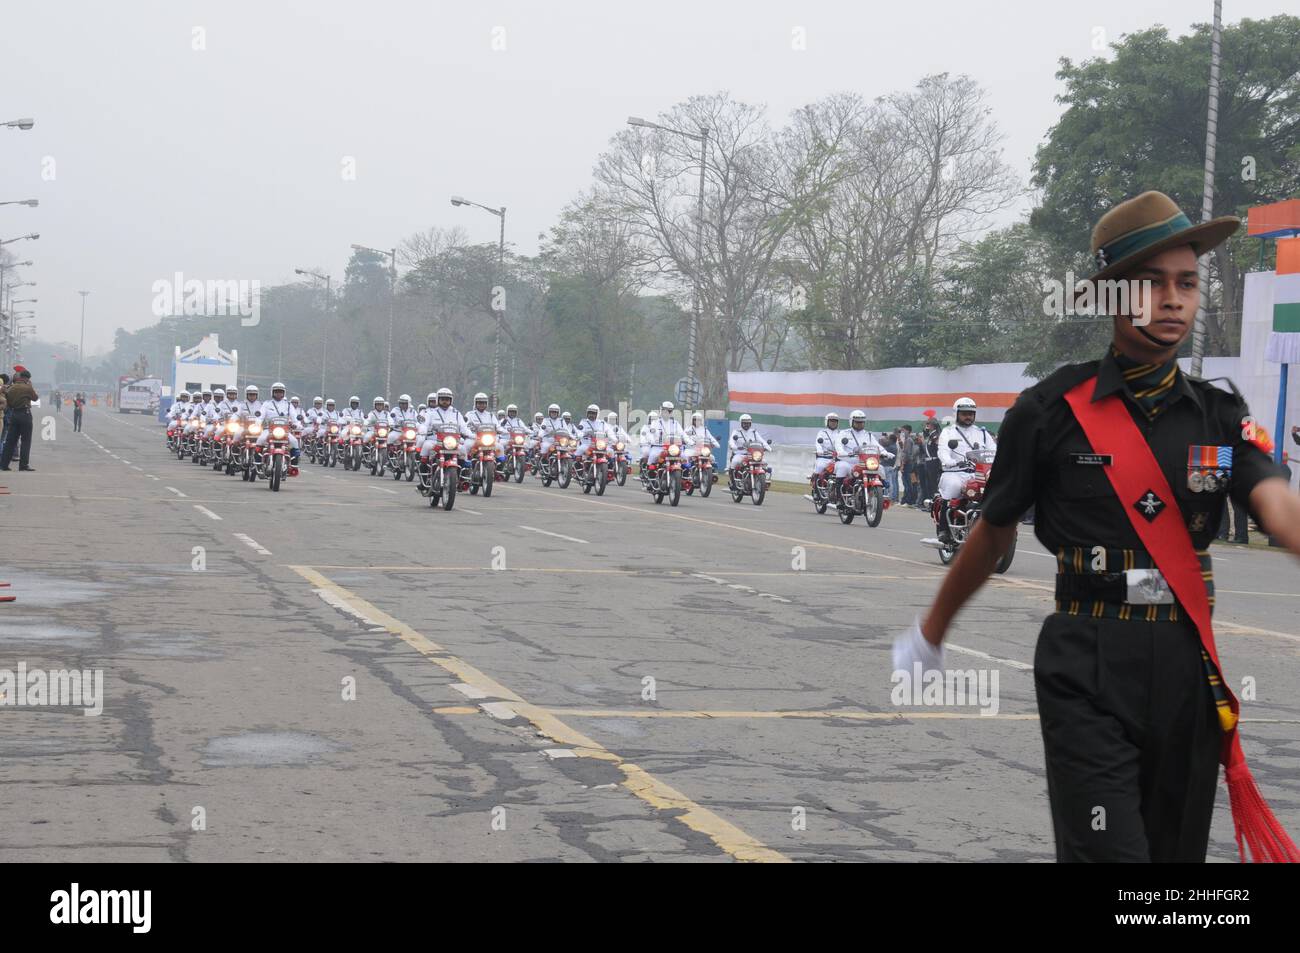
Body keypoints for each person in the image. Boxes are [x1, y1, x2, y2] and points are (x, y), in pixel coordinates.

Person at [898, 191, 1300, 863]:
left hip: (1185, 664)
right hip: (1086, 655)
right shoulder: (1050, 411)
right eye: (1151, 283)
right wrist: (931, 631)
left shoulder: (1220, 416)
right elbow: (994, 532)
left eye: (1187, 283)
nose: (1173, 299)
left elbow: (1275, 504)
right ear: (1113, 296)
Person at [0, 369, 39, 471]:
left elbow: (8, 401)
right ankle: (23, 465)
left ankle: (4, 464)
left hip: (14, 414)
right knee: (26, 440)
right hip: (25, 414)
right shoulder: (27, 387)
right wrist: (30, 387)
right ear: (26, 378)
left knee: (10, 440)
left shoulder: (11, 388)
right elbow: (35, 398)